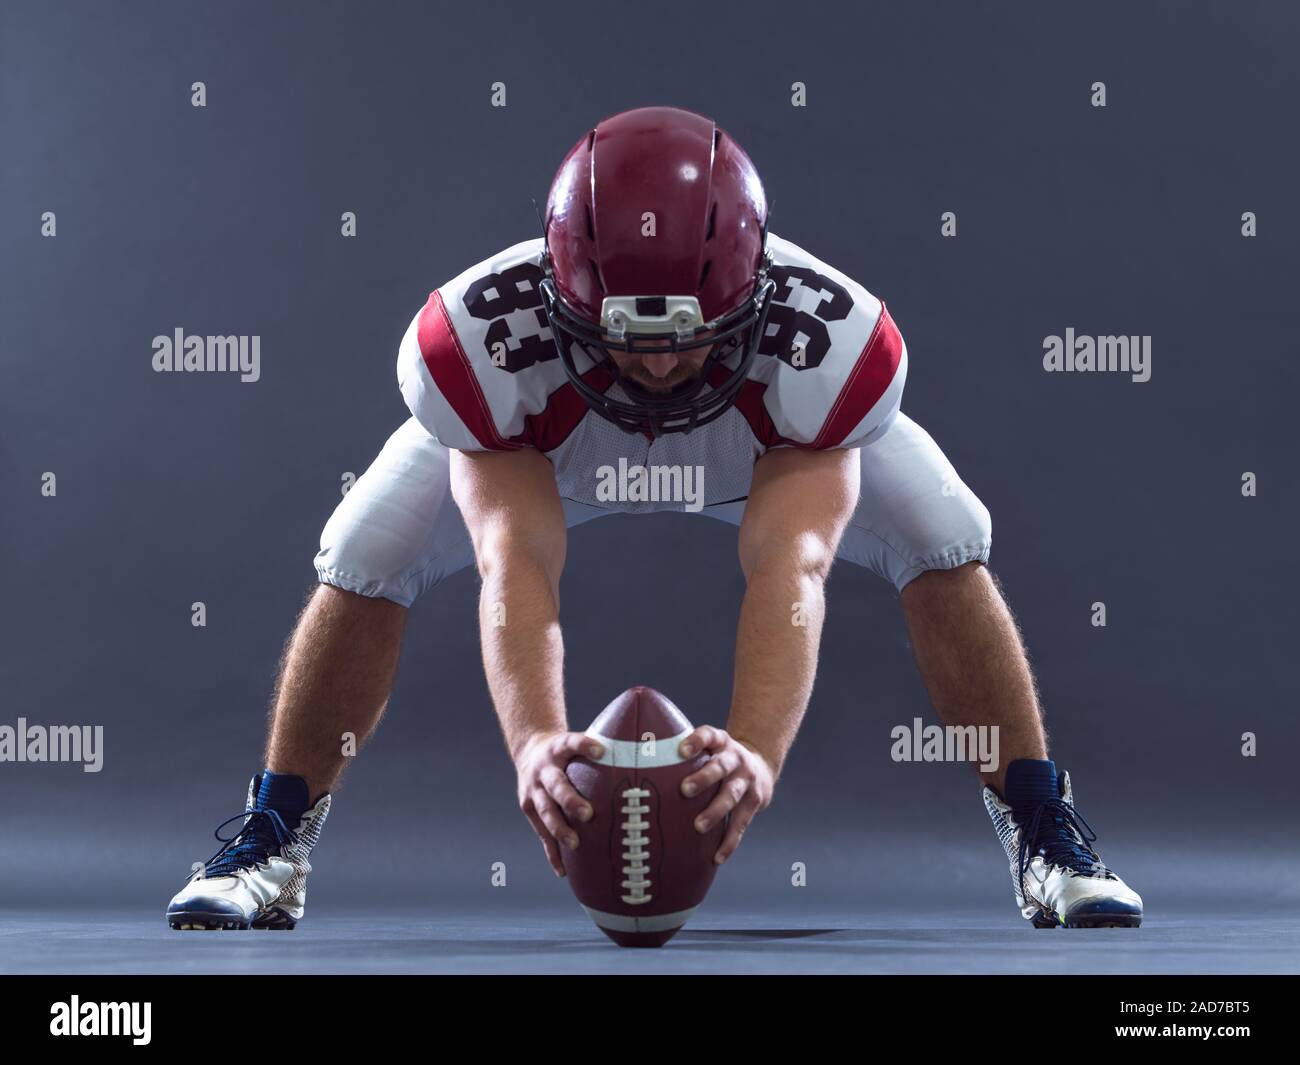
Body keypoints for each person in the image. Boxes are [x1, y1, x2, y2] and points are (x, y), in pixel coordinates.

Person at [167, 106, 1141, 932]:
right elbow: (516, 559)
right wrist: (535, 743)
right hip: (557, 437)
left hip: (760, 438)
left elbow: (791, 562)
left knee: (942, 532)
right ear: (558, 299)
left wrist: (755, 748)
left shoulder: (827, 347)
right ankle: (275, 837)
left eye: (688, 338)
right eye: (624, 338)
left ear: (756, 293)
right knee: (365, 547)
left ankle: (1040, 826)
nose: (660, 367)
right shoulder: (482, 344)